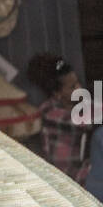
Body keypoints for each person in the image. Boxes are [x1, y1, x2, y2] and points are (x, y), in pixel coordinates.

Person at [26, 54, 91, 183]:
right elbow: (84, 121)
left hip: (84, 173)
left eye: (78, 83)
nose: (79, 88)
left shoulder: (79, 105)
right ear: (57, 94)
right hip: (66, 180)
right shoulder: (49, 111)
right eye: (72, 87)